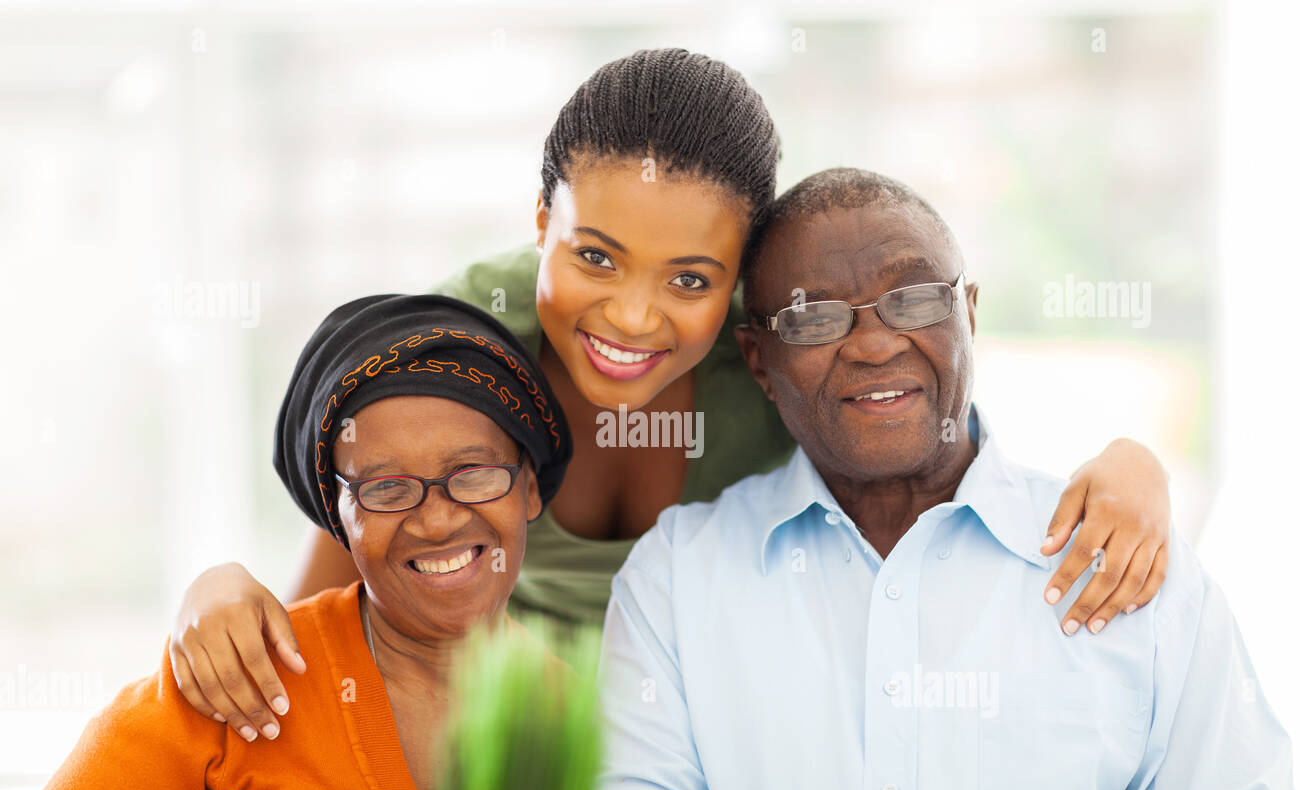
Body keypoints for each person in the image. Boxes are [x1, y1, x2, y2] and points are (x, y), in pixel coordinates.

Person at [166, 48, 1172, 745]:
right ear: (538, 225)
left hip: (705, 759)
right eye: (594, 256)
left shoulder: (772, 359)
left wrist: (1132, 464)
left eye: (688, 279)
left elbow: (925, 446)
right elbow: (326, 609)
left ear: (739, 284)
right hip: (492, 763)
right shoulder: (465, 342)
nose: (632, 319)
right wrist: (216, 589)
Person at [597, 168, 1299, 790]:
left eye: (913, 298)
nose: (874, 345)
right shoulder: (674, 585)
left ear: (968, 311)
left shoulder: (1126, 560)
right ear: (759, 359)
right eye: (814, 316)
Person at [0, 294, 572, 790]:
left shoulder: (588, 721)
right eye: (385, 487)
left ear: (527, 488)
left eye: (472, 473)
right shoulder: (232, 680)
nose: (437, 519)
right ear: (340, 520)